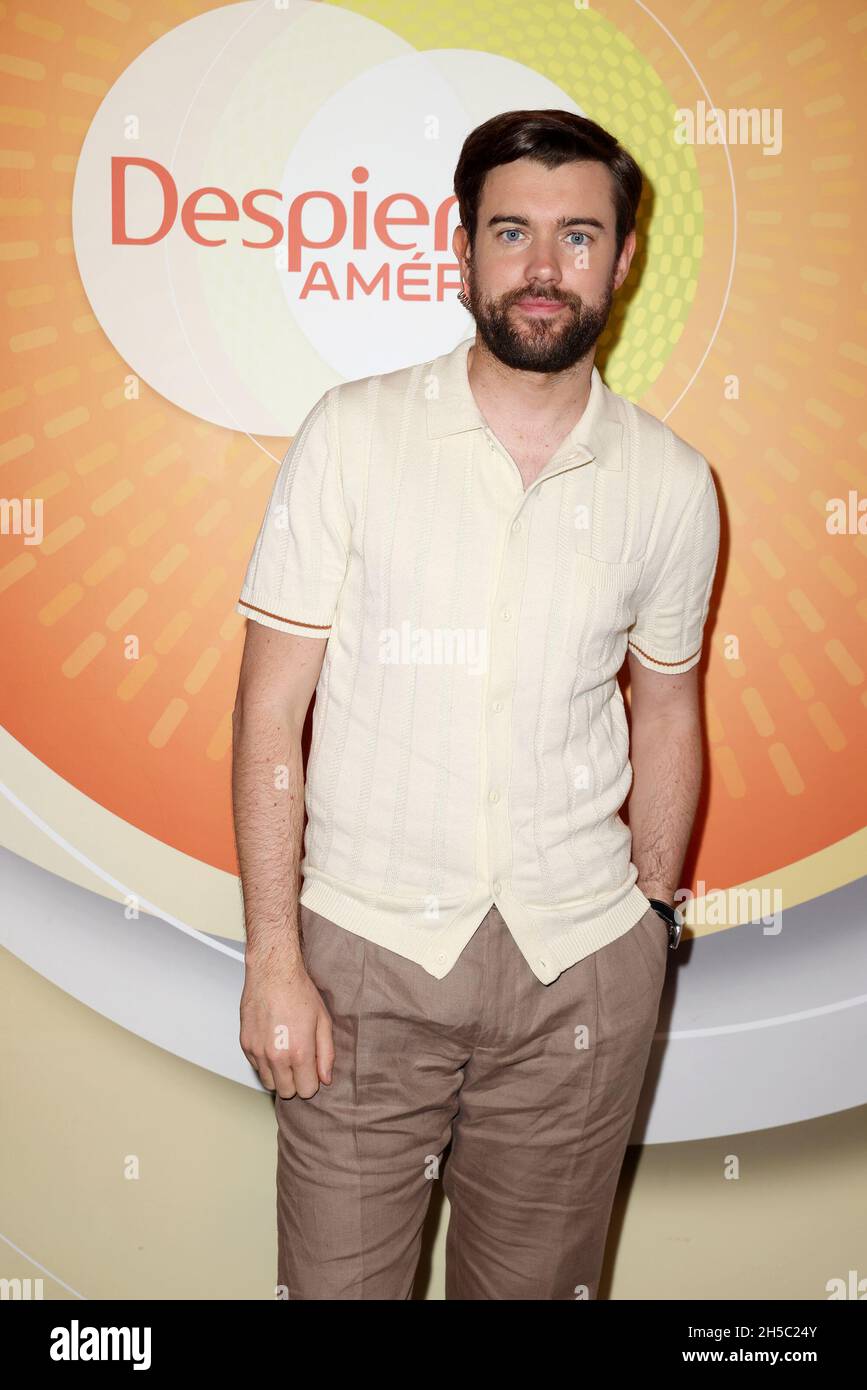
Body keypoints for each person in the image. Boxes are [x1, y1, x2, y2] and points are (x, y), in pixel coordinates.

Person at [232, 109, 720, 1300]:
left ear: (624, 258)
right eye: (512, 232)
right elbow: (269, 715)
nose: (543, 268)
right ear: (461, 249)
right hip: (365, 963)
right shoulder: (353, 435)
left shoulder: (671, 483)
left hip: (581, 970)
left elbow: (668, 711)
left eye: (577, 236)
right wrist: (275, 957)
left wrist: (651, 921)